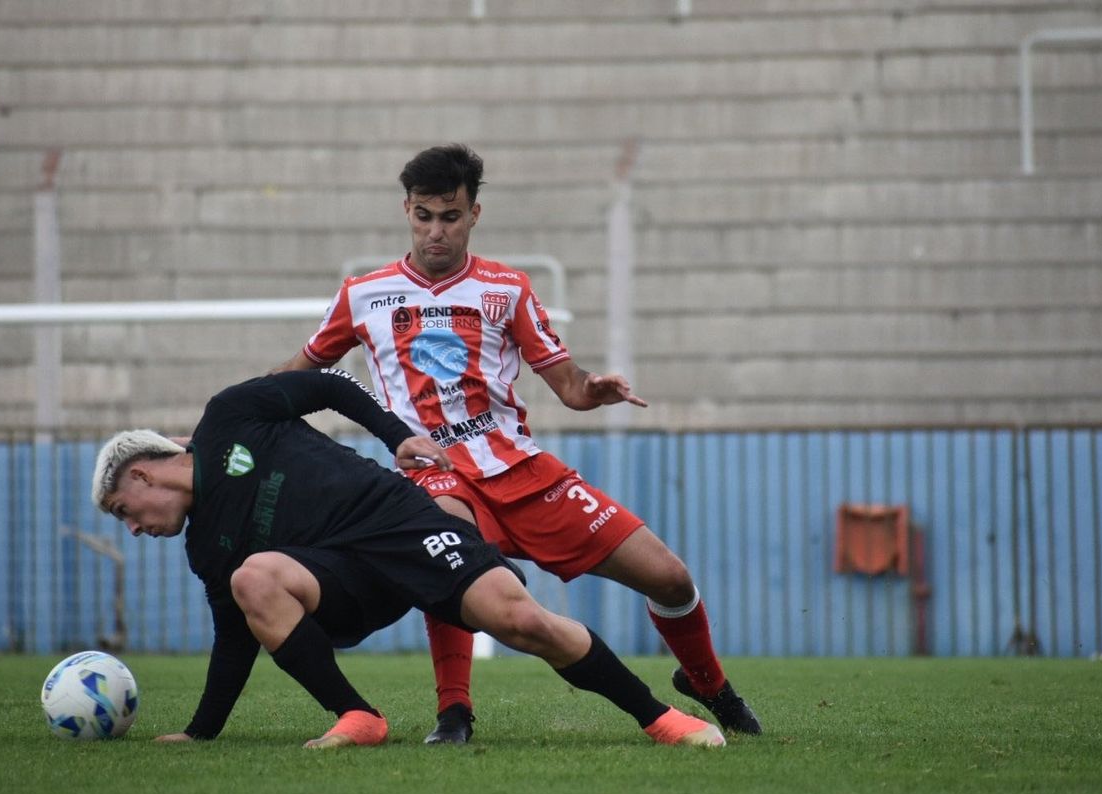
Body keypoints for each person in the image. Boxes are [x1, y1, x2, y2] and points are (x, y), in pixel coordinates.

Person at [276, 143, 762, 744]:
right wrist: (222, 424)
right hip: (437, 472)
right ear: (405, 209)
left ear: (474, 214)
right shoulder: (363, 294)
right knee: (445, 546)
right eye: (423, 215)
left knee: (670, 578)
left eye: (450, 217)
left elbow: (569, 387)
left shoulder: (507, 288)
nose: (436, 231)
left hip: (522, 471)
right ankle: (454, 712)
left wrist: (594, 387)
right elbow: (294, 378)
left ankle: (708, 684)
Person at [90, 368, 724, 748]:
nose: (135, 529)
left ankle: (660, 718)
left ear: (142, 475)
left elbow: (330, 383)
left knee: (522, 622)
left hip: (395, 523)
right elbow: (234, 638)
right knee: (253, 579)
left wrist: (397, 436)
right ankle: (359, 716)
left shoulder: (230, 416)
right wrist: (201, 732)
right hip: (341, 585)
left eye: (124, 511)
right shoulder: (206, 548)